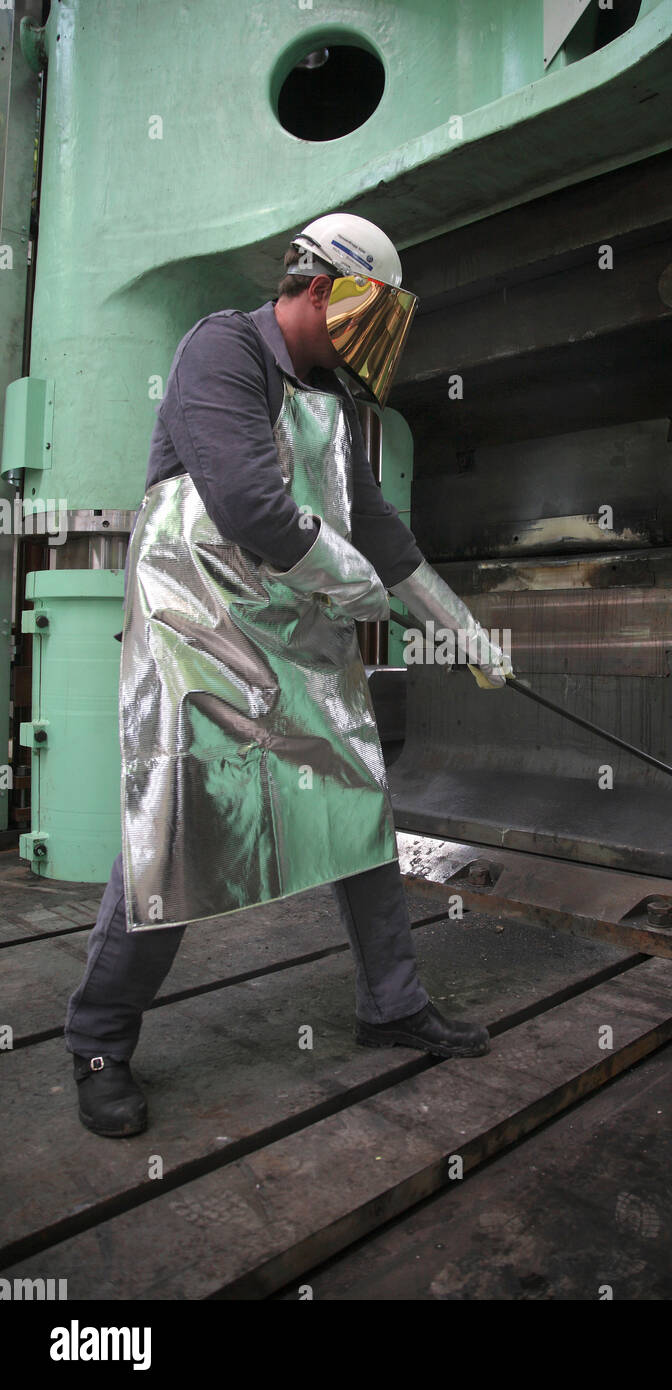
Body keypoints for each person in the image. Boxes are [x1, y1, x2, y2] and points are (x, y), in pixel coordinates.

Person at [66, 213, 513, 1138]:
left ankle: (392, 1004)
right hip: (202, 629)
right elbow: (250, 505)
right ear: (319, 290)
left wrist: (461, 629)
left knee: (358, 802)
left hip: (296, 631)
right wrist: (367, 595)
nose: (367, 340)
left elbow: (377, 529)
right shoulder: (221, 350)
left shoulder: (337, 403)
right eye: (365, 315)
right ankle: (99, 1041)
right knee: (180, 826)